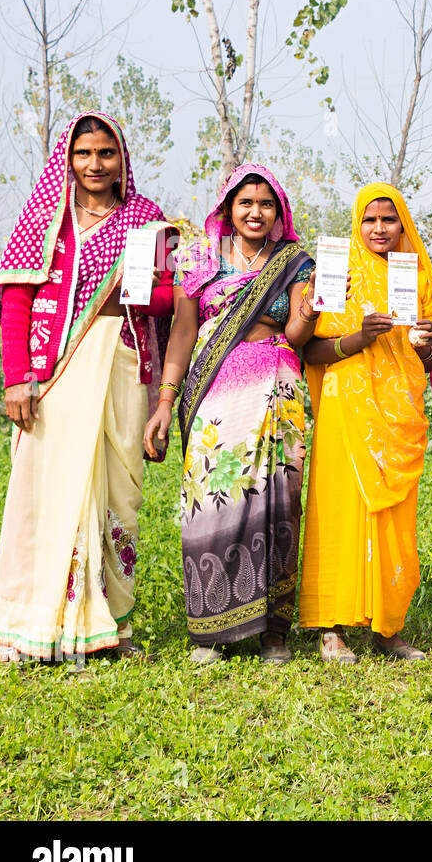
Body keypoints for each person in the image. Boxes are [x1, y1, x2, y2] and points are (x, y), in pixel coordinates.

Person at [0, 111, 174, 663]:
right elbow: (17, 299)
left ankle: (108, 626)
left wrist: (134, 292)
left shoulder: (146, 220)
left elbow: (169, 296)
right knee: (47, 491)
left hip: (120, 365)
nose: (95, 165)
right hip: (54, 373)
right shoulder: (46, 215)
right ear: (68, 159)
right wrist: (17, 377)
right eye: (84, 154)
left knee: (119, 492)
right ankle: (29, 622)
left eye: (106, 153)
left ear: (123, 159)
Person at [142, 164, 316, 665]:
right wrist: (166, 398)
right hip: (214, 392)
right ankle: (210, 630)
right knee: (211, 500)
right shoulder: (198, 257)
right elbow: (182, 331)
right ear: (228, 208)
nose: (255, 212)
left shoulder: (295, 263)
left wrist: (311, 309)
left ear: (279, 212)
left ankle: (273, 634)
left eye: (266, 204)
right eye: (246, 203)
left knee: (279, 502)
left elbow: (300, 337)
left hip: (277, 391)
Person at [299, 183, 432, 663]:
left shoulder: (418, 274)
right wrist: (359, 337)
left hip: (398, 412)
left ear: (403, 224)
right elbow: (311, 350)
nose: (379, 229)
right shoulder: (336, 270)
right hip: (346, 408)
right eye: (369, 220)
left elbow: (431, 356)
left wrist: (425, 344)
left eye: (389, 219)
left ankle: (388, 628)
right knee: (338, 510)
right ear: (356, 223)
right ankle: (331, 629)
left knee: (394, 521)